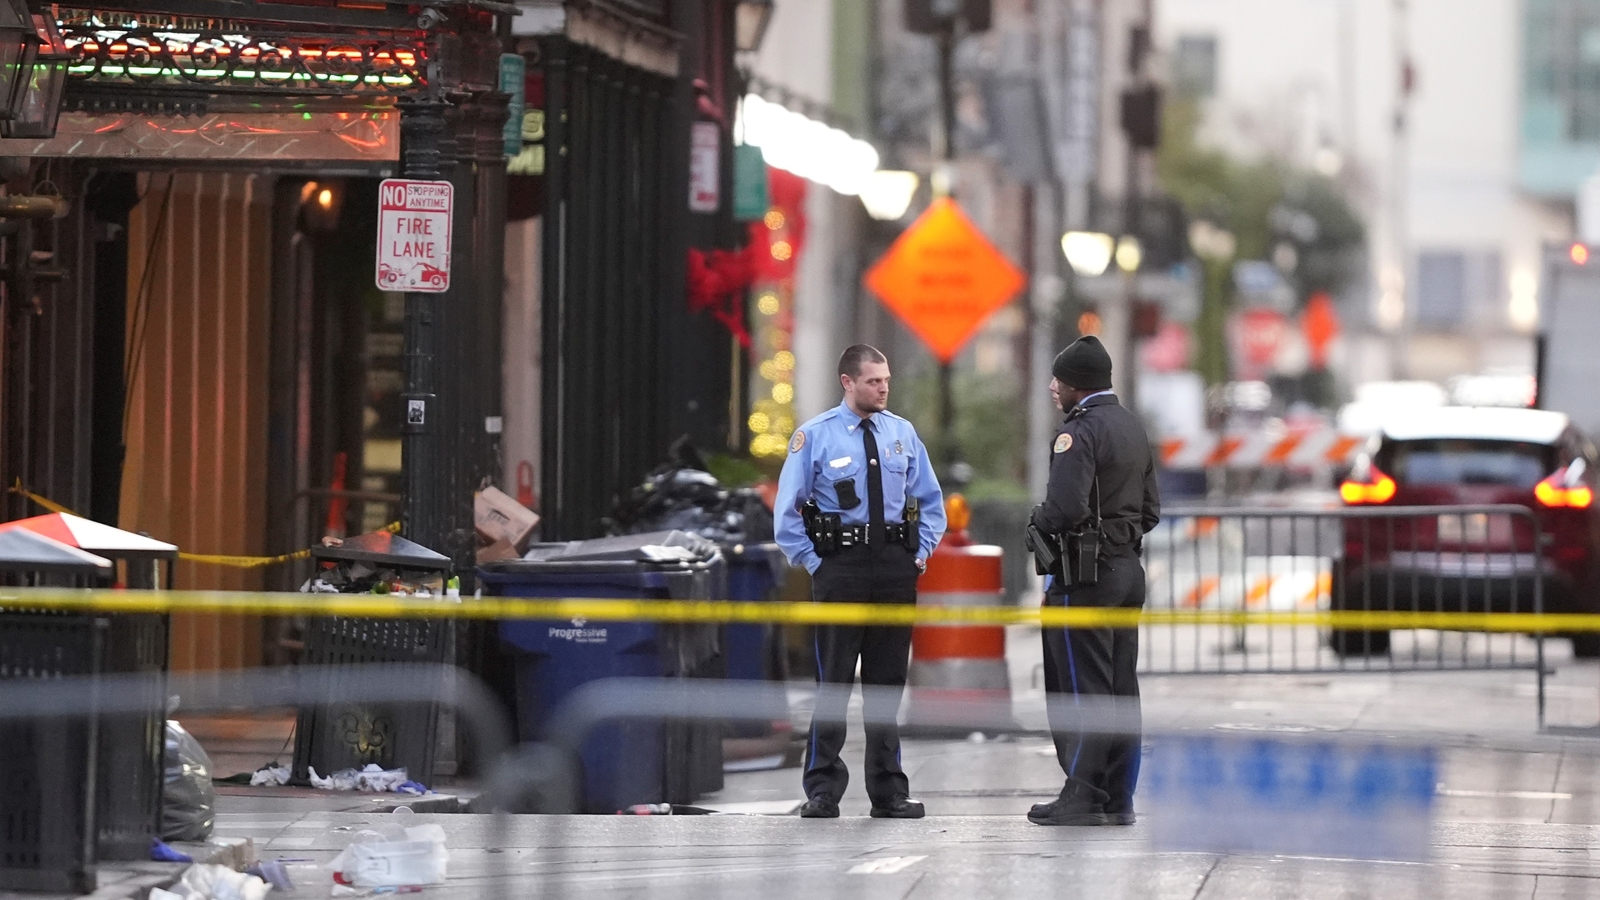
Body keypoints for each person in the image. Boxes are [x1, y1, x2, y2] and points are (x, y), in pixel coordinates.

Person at [775, 344, 947, 819]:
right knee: (833, 681)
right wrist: (814, 563)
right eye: (873, 380)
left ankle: (889, 791)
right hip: (841, 567)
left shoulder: (902, 434)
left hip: (894, 567)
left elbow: (929, 501)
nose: (884, 387)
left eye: (886, 379)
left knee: (886, 684)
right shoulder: (817, 436)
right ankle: (822, 789)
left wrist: (920, 552)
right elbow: (788, 512)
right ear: (848, 382)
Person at [1028, 334, 1160, 827]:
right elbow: (1151, 510)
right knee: (1120, 686)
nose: (1052, 388)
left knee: (1082, 688)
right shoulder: (1131, 427)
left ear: (1076, 386)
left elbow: (1065, 509)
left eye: (1058, 381)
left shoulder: (1078, 434)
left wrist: (1038, 519)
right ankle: (1117, 797)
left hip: (1083, 576)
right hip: (1127, 571)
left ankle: (1082, 793)